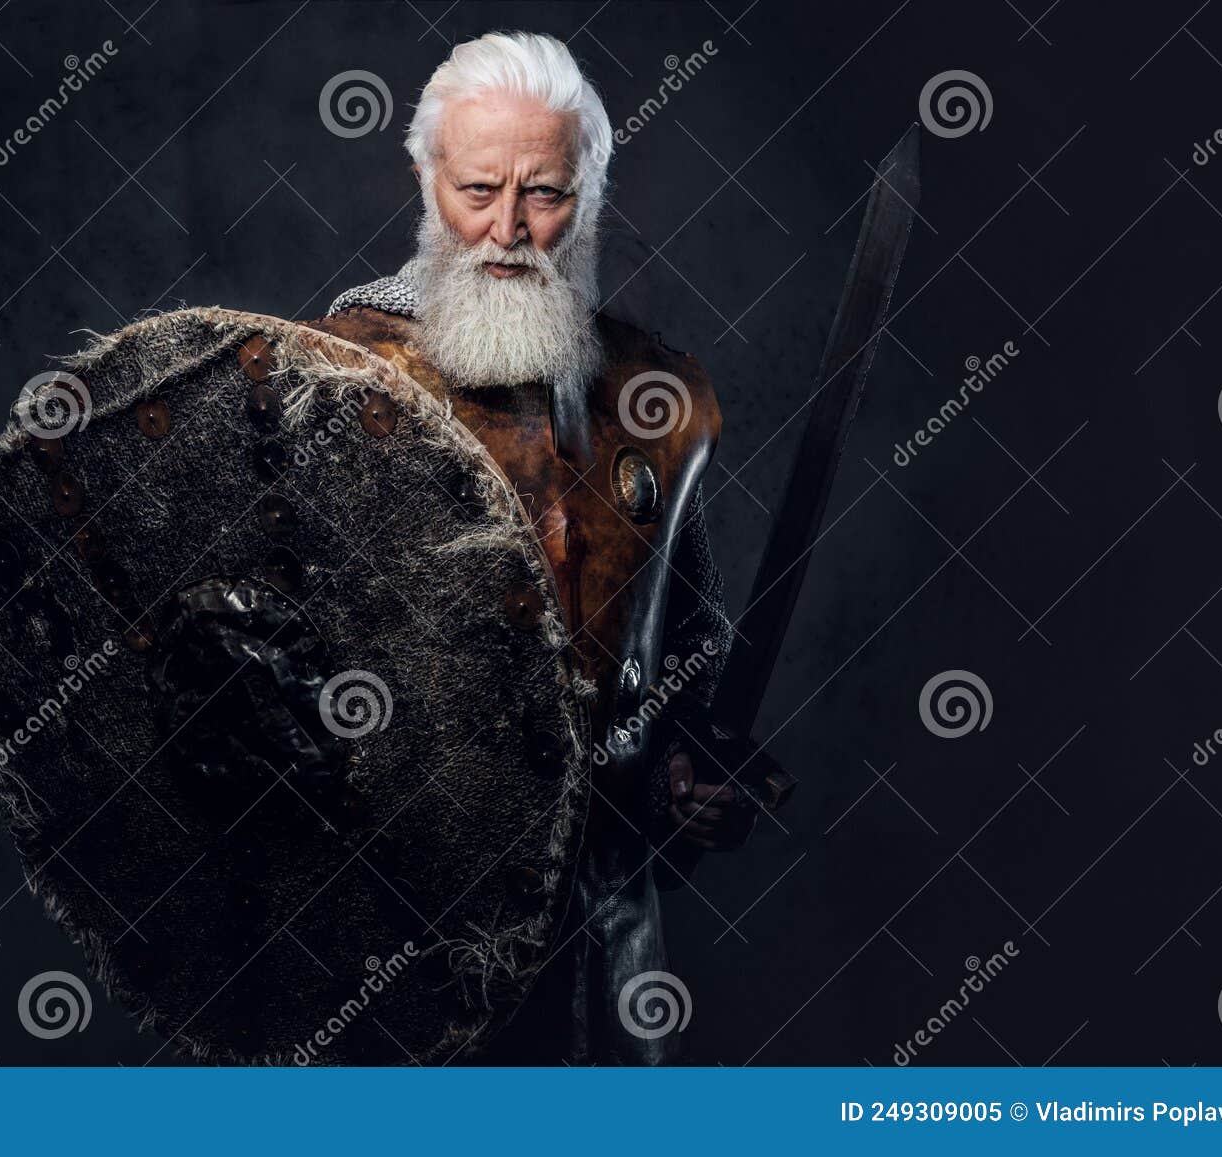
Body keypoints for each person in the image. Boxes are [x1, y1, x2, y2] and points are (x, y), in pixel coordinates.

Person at [305, 31, 762, 1063]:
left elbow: (686, 642)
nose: (505, 230)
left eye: (545, 194)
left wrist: (691, 772)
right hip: (389, 956)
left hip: (603, 952)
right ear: (425, 179)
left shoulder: (655, 395)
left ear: (590, 192)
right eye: (476, 188)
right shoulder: (321, 383)